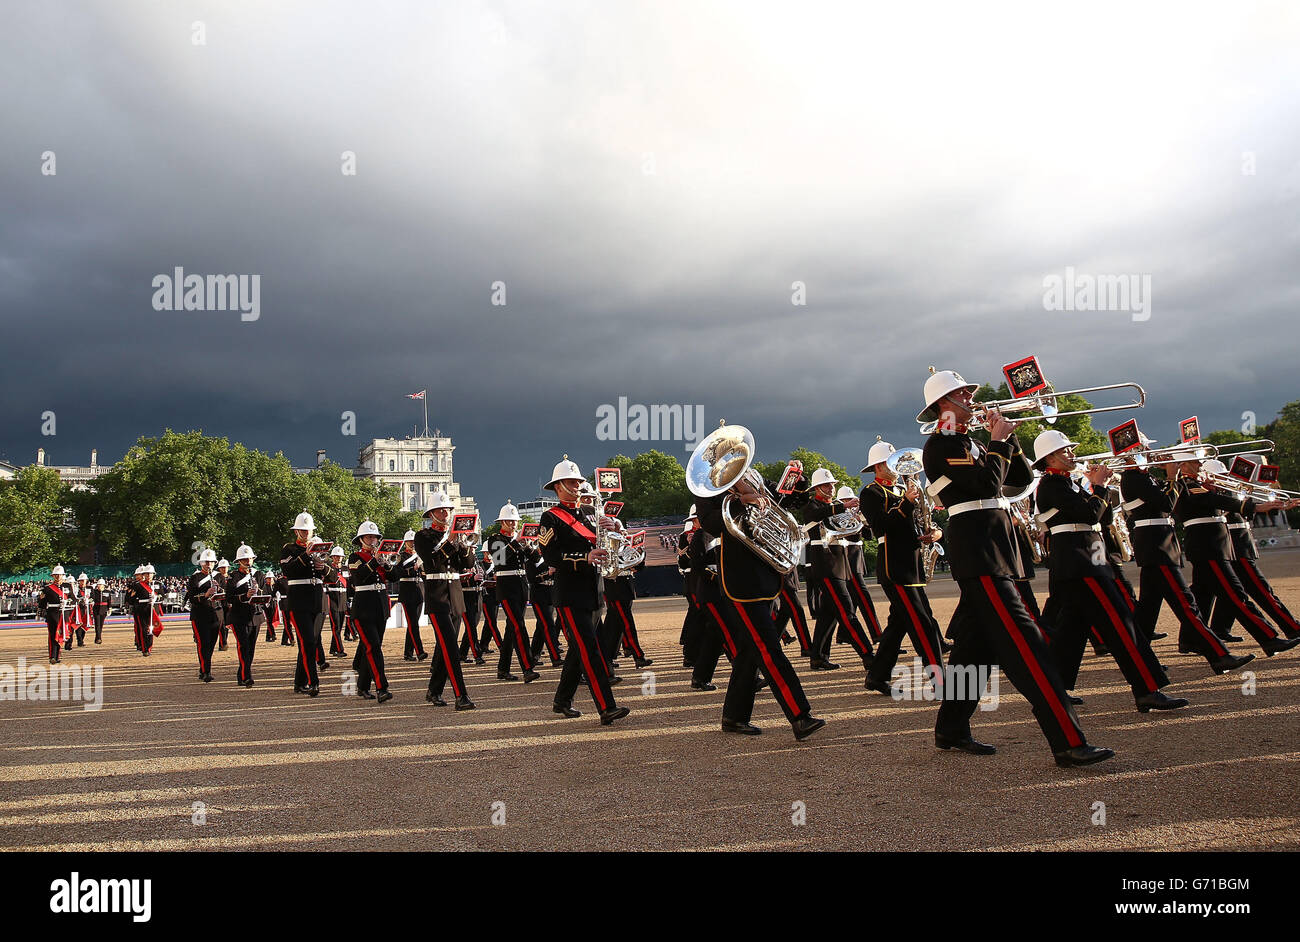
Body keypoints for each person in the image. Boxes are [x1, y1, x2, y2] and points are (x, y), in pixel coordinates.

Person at [919, 367, 1111, 767]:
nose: (971, 400)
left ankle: (950, 728)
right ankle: (1068, 741)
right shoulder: (940, 444)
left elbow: (1018, 481)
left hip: (997, 551)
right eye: (963, 396)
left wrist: (1012, 440)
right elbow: (986, 486)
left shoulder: (971, 442)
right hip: (979, 552)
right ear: (942, 406)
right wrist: (995, 442)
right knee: (1029, 648)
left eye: (969, 394)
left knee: (974, 653)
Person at [1032, 431, 1188, 713]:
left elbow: (1102, 516)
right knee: (1121, 623)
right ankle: (1147, 688)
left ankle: (1053, 692)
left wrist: (1096, 489)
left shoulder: (1067, 483)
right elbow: (1090, 514)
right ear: (1050, 457)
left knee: (1071, 633)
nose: (1072, 454)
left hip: (1084, 559)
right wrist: (1098, 487)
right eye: (1065, 450)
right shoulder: (1052, 484)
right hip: (1081, 562)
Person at [687, 425, 825, 740]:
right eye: (723, 452)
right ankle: (799, 716)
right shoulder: (708, 488)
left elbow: (785, 503)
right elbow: (710, 523)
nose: (731, 456)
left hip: (766, 573)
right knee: (768, 648)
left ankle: (734, 717)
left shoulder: (756, 477)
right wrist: (741, 502)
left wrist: (796, 482)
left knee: (751, 651)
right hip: (740, 579)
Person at [1120, 438, 1255, 674]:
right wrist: (1173, 475)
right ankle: (1219, 655)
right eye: (1146, 448)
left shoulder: (1145, 477)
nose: (1152, 451)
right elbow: (1166, 503)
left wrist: (1189, 479)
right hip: (1156, 545)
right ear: (1135, 451)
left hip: (1159, 543)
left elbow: (1171, 496)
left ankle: (1138, 660)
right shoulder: (1133, 477)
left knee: (1147, 612)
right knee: (1187, 605)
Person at [1173, 453, 1298, 657]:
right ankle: (1269, 639)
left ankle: (1190, 640)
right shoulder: (1187, 484)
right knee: (1236, 596)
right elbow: (1212, 501)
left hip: (1213, 546)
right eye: (1196, 462)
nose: (1200, 466)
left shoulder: (1198, 485)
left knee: (1201, 597)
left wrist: (1265, 504)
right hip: (1209, 547)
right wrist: (1254, 505)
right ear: (1184, 466)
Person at [539, 456, 629, 725]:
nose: (577, 486)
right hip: (569, 593)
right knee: (590, 650)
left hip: (592, 591)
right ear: (557, 487)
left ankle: (562, 700)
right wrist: (584, 557)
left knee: (580, 649)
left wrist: (613, 529)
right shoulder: (550, 517)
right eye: (571, 482)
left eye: (578, 481)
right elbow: (550, 555)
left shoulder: (590, 514)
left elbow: (603, 543)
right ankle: (606, 707)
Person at [858, 439, 947, 698]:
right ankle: (939, 682)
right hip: (894, 564)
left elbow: (924, 519)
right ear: (877, 466)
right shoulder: (870, 493)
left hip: (914, 561)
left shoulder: (903, 488)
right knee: (923, 624)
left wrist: (936, 532)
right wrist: (907, 503)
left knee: (898, 625)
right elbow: (881, 526)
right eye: (889, 462)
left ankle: (877, 676)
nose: (896, 467)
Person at [1204, 458, 1300, 640]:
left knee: (1232, 592)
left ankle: (1219, 629)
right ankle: (1291, 626)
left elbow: (1255, 510)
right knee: (1261, 591)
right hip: (1235, 545)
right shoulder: (1213, 495)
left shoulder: (1229, 491)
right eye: (1220, 476)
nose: (1225, 478)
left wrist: (1281, 504)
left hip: (1241, 542)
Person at [801, 468, 875, 673]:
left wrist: (860, 518)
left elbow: (853, 533)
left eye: (832, 484)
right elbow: (816, 515)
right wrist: (842, 506)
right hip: (825, 564)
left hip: (841, 563)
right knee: (847, 611)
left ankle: (818, 657)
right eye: (826, 485)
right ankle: (868, 655)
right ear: (817, 488)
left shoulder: (834, 507)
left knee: (828, 615)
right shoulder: (811, 505)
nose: (831, 488)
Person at [415, 493, 476, 710]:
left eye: (448, 510)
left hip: (456, 594)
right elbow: (432, 563)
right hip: (437, 595)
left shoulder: (454, 536)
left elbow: (466, 564)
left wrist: (465, 544)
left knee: (445, 646)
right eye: (441, 510)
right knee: (451, 647)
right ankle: (461, 695)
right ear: (432, 514)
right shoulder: (422, 536)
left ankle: (434, 690)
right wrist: (449, 543)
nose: (446, 513)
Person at [485, 502, 541, 683]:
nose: (513, 524)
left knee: (511, 629)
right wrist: (516, 543)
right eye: (509, 521)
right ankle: (527, 666)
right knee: (519, 625)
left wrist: (529, 546)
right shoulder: (495, 539)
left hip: (521, 584)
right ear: (502, 522)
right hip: (506, 585)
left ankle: (503, 669)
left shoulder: (519, 539)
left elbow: (537, 561)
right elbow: (499, 560)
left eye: (515, 521)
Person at [279, 511, 327, 696]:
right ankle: (313, 682)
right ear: (296, 531)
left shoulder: (319, 548)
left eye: (308, 530)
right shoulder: (289, 549)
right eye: (302, 530)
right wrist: (306, 556)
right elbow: (288, 570)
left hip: (316, 599)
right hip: (298, 601)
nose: (306, 533)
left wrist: (323, 567)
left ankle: (299, 682)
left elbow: (329, 575)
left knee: (310, 642)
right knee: (307, 641)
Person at [349, 521, 394, 704]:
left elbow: (394, 576)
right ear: (361, 540)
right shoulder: (355, 557)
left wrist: (387, 564)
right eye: (369, 537)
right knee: (373, 647)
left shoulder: (381, 556)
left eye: (375, 537)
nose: (373, 540)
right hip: (364, 607)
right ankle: (382, 687)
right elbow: (358, 577)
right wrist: (375, 562)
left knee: (373, 648)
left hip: (380, 604)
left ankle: (362, 685)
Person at [184, 548, 223, 683]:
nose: (209, 564)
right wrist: (206, 594)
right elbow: (192, 597)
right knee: (203, 644)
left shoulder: (219, 577)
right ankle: (206, 671)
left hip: (216, 614)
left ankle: (203, 668)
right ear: (201, 563)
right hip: (200, 614)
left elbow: (225, 594)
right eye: (206, 562)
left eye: (211, 562)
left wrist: (220, 590)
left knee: (211, 644)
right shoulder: (195, 577)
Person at [228, 544, 262, 687]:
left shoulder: (258, 575)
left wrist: (259, 591)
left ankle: (242, 674)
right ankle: (246, 676)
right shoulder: (233, 577)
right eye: (244, 559)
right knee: (243, 646)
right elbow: (229, 597)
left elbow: (266, 592)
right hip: (239, 616)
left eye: (249, 559)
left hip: (255, 616)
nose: (248, 562)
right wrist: (244, 596)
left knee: (251, 648)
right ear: (239, 561)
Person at [392, 529, 428, 662]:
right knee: (413, 624)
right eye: (409, 542)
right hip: (407, 592)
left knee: (413, 624)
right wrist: (412, 570)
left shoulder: (419, 555)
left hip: (419, 590)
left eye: (414, 542)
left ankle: (408, 652)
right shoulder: (401, 556)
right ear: (405, 542)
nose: (412, 544)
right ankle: (419, 651)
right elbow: (397, 573)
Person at [40, 565, 71, 664]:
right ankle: (52, 656)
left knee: (61, 635)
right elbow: (43, 604)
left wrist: (68, 602)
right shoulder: (47, 589)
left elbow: (73, 599)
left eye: (60, 575)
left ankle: (57, 656)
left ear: (63, 575)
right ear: (53, 576)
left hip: (64, 613)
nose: (58, 577)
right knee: (53, 635)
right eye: (56, 575)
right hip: (53, 614)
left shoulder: (68, 586)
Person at [324, 545, 349, 657]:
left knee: (340, 625)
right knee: (336, 626)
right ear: (332, 557)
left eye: (340, 556)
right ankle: (339, 649)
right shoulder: (329, 567)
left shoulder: (345, 569)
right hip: (332, 597)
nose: (338, 558)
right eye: (336, 556)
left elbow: (349, 583)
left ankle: (333, 648)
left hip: (343, 597)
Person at [91, 578, 109, 644]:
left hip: (104, 610)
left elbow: (109, 601)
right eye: (98, 585)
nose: (99, 586)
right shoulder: (94, 592)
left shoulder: (107, 592)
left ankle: (97, 637)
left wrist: (109, 608)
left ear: (103, 585)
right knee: (97, 624)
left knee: (101, 625)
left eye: (100, 585)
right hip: (96, 609)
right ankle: (99, 638)